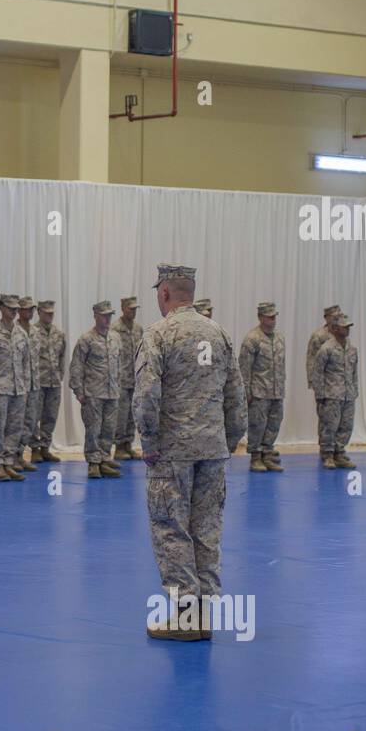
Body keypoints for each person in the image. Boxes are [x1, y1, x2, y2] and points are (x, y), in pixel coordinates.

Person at [134, 265, 246, 641]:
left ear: (164, 293)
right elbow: (237, 399)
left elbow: (147, 395)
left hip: (173, 452)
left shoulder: (159, 334)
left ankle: (185, 617)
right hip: (211, 450)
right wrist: (226, 442)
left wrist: (148, 444)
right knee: (206, 530)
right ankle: (205, 614)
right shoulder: (219, 333)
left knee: (171, 529)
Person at [0, 294, 32, 481]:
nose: (14, 312)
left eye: (16, 309)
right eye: (11, 308)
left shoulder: (21, 334)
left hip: (18, 389)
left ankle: (9, 462)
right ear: (1, 308)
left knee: (14, 427)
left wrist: (26, 385)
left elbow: (26, 362)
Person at [69, 301, 123, 479]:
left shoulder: (115, 338)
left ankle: (105, 458)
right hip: (93, 392)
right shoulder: (86, 339)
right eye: (104, 315)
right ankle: (93, 462)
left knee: (109, 428)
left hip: (112, 391)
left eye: (109, 315)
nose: (107, 319)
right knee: (93, 429)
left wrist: (119, 385)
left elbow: (119, 364)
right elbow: (76, 366)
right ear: (96, 316)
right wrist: (78, 391)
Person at [239, 302, 287, 473]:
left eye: (274, 317)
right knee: (257, 425)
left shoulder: (280, 338)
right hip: (259, 391)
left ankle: (268, 454)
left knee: (274, 424)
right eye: (269, 317)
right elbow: (244, 368)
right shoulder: (252, 339)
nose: (273, 320)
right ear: (260, 317)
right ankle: (255, 457)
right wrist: (247, 392)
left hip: (277, 391)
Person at [310, 313, 359, 470]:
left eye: (348, 327)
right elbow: (317, 372)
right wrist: (320, 395)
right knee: (329, 426)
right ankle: (328, 454)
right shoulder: (326, 348)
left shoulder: (352, 349)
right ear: (335, 328)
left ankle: (340, 452)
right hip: (331, 394)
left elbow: (354, 372)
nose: (347, 330)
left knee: (346, 425)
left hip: (348, 394)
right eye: (344, 327)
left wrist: (355, 391)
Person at [30, 299, 66, 463]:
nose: (49, 316)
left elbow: (62, 358)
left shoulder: (59, 334)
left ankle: (45, 447)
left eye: (52, 313)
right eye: (46, 313)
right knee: (33, 416)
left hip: (54, 382)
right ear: (39, 312)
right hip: (37, 383)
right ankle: (34, 448)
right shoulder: (32, 332)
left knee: (50, 417)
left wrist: (60, 376)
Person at [307, 304, 343, 461]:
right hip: (325, 386)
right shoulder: (319, 336)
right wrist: (315, 385)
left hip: (341, 388)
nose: (336, 319)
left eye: (338, 316)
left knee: (341, 421)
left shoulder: (341, 334)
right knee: (326, 420)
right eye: (333, 316)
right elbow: (311, 361)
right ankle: (326, 451)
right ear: (326, 318)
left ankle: (338, 451)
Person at [111, 296, 143, 461]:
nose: (133, 312)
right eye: (130, 309)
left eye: (135, 309)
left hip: (135, 378)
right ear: (123, 308)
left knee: (133, 414)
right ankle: (119, 447)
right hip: (121, 379)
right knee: (121, 415)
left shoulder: (138, 329)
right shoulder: (115, 328)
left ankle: (129, 444)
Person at [15, 296, 41, 472]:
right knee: (15, 423)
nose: (30, 312)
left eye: (32, 309)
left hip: (33, 384)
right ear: (20, 311)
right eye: (27, 309)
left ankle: (20, 454)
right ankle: (11, 457)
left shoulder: (35, 331)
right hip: (17, 385)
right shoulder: (14, 330)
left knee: (30, 423)